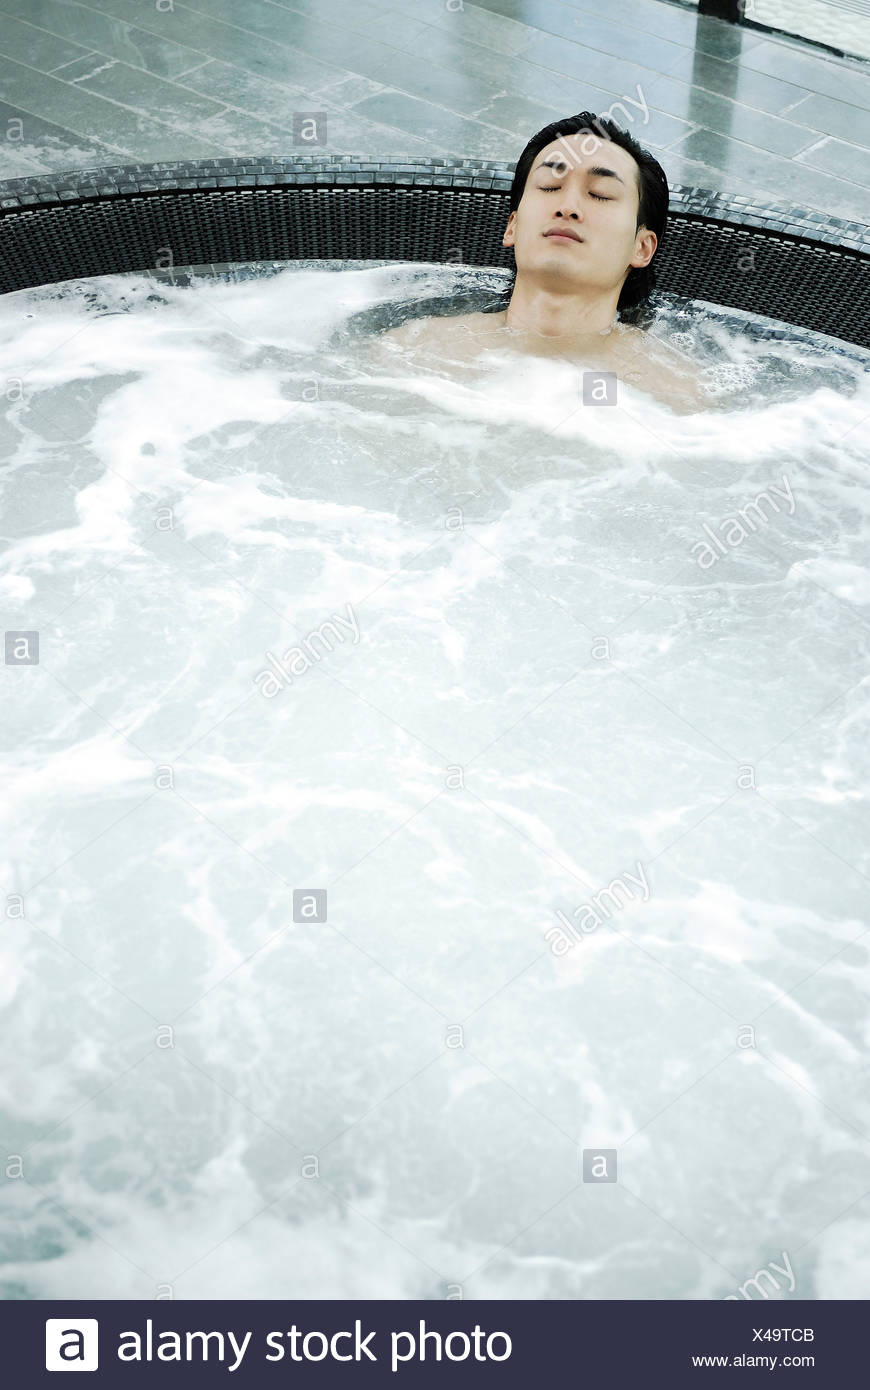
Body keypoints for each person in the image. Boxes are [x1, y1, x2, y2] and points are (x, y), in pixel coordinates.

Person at [369, 112, 710, 415]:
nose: (568, 206)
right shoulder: (412, 350)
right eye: (549, 186)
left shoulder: (672, 393)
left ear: (642, 248)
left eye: (601, 194)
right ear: (512, 226)